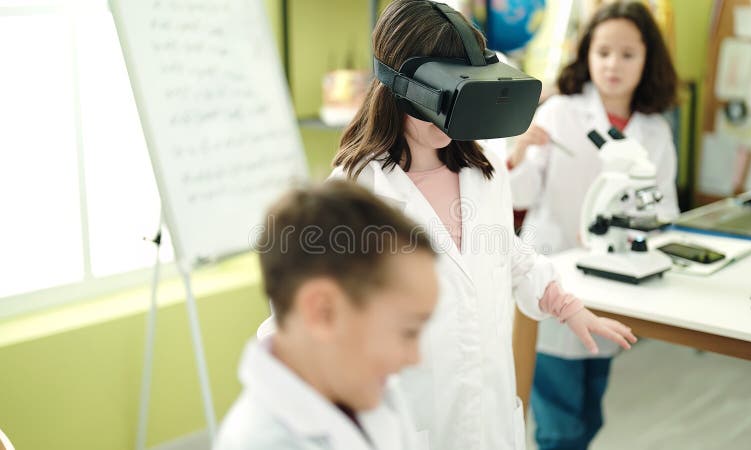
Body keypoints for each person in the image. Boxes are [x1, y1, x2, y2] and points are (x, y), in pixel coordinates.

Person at [326, 1, 637, 449]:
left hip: (489, 411)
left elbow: (506, 253)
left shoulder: (483, 167)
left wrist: (566, 307)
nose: (455, 121)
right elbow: (310, 310)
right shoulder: (358, 193)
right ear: (399, 88)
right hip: (411, 416)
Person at [507, 2, 680, 449]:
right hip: (553, 273)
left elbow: (663, 214)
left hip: (612, 285)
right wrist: (519, 148)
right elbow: (518, 195)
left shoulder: (655, 130)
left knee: (588, 412)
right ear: (586, 55)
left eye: (627, 54)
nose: (612, 65)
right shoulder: (559, 113)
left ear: (648, 60)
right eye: (603, 52)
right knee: (561, 424)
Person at [216, 181, 439, 450]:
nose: (415, 358)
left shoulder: (372, 389)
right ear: (322, 311)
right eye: (408, 332)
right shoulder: (261, 442)